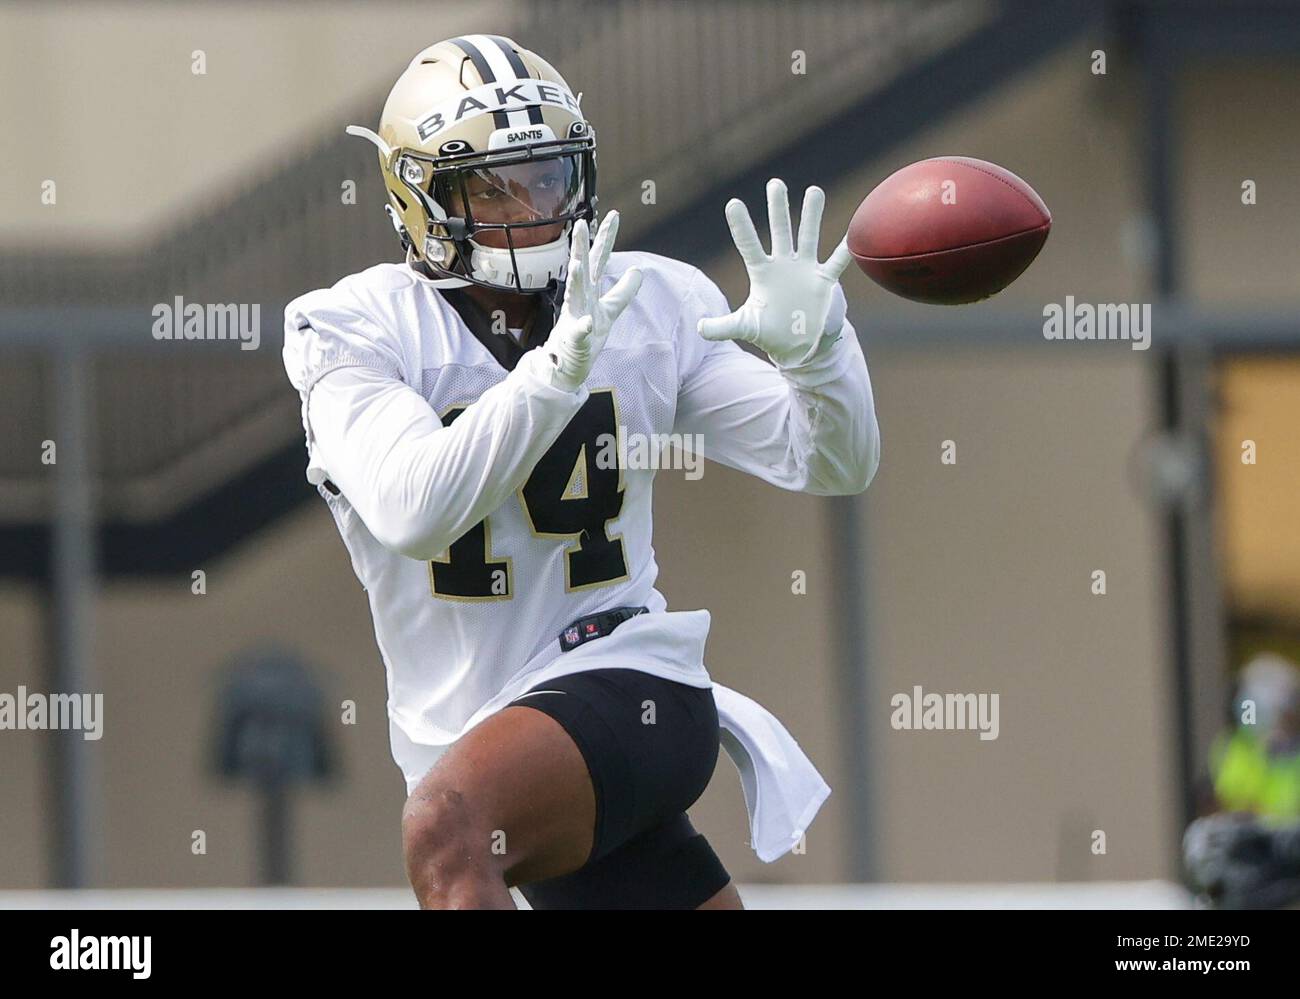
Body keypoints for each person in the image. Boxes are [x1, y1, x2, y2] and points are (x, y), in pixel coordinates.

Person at [282, 34, 880, 909]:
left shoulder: (639, 299)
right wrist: (553, 375)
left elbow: (829, 459)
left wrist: (824, 352)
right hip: (506, 748)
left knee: (445, 828)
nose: (532, 208)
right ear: (422, 198)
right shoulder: (350, 329)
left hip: (630, 682)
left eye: (549, 177)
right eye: (496, 187)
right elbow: (413, 507)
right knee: (465, 820)